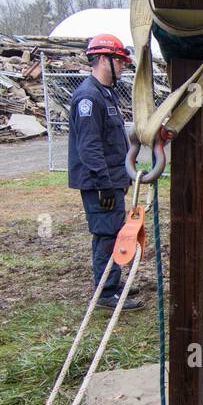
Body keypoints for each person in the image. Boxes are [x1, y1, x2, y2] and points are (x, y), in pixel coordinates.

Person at [67, 34, 142, 312]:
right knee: (106, 234)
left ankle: (111, 280)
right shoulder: (88, 97)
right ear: (102, 59)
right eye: (119, 61)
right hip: (101, 183)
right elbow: (89, 147)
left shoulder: (104, 93)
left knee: (113, 231)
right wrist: (104, 185)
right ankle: (106, 293)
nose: (122, 67)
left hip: (111, 180)